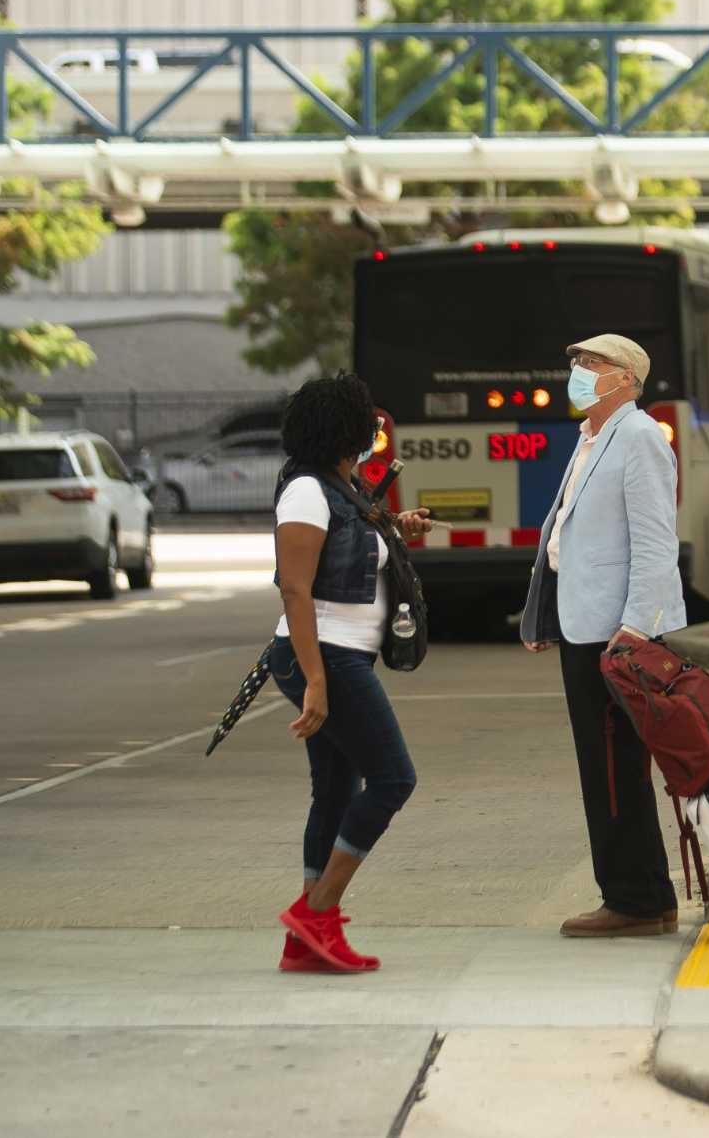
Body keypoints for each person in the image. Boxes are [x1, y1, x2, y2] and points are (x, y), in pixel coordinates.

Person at [520, 334, 687, 938]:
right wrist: (543, 615)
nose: (578, 372)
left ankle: (636, 901)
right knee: (605, 764)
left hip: (617, 634)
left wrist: (636, 628)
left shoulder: (638, 437)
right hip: (585, 626)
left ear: (625, 378)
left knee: (616, 766)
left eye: (590, 364)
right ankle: (643, 894)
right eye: (576, 363)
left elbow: (654, 542)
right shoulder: (590, 439)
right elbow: (567, 537)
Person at [269, 374, 432, 973]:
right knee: (393, 779)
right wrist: (315, 678)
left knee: (337, 790)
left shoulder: (346, 487)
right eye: (367, 422)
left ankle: (304, 943)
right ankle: (318, 911)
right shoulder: (308, 492)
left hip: (344, 655)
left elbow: (354, 542)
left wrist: (397, 527)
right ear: (345, 429)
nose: (374, 432)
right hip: (325, 656)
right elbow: (295, 586)